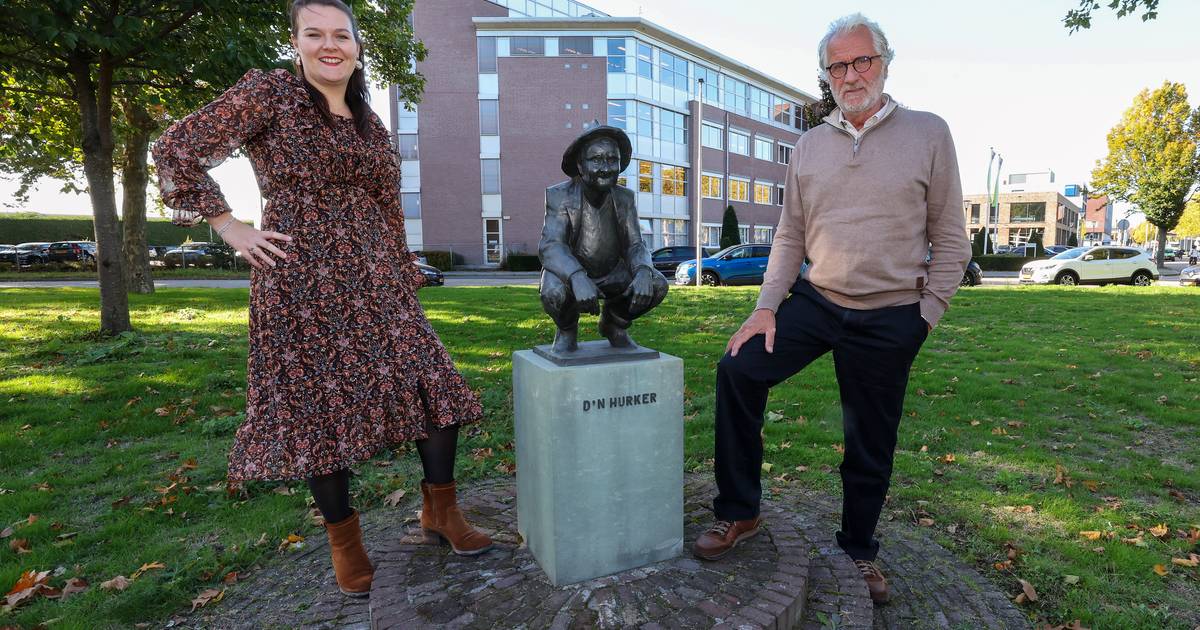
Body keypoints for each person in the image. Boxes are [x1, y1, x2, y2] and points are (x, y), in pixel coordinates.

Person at [152, 0, 492, 598]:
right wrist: (230, 225)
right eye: (314, 34)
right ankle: (345, 541)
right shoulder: (271, 93)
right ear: (297, 42)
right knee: (317, 409)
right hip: (301, 280)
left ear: (358, 47)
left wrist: (401, 261)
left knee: (434, 387)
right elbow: (175, 149)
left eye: (341, 35)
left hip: (379, 279)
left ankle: (441, 511)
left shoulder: (367, 118)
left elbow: (387, 204)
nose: (329, 45)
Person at [692, 14, 970, 606]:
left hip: (893, 311)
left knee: (869, 436)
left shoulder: (928, 133)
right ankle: (739, 512)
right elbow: (791, 234)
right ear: (826, 76)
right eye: (837, 66)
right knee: (738, 370)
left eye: (861, 61)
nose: (850, 75)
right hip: (818, 302)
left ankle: (859, 550)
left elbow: (951, 237)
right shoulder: (810, 144)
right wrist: (766, 307)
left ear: (884, 63)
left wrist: (926, 316)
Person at [539, 123, 669, 353]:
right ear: (580, 165)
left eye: (612, 159)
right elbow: (551, 245)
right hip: (571, 274)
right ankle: (567, 330)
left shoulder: (624, 198)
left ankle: (614, 324)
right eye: (596, 159)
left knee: (656, 284)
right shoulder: (559, 195)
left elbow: (635, 244)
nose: (606, 168)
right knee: (553, 292)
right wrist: (576, 276)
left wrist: (642, 271)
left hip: (612, 273)